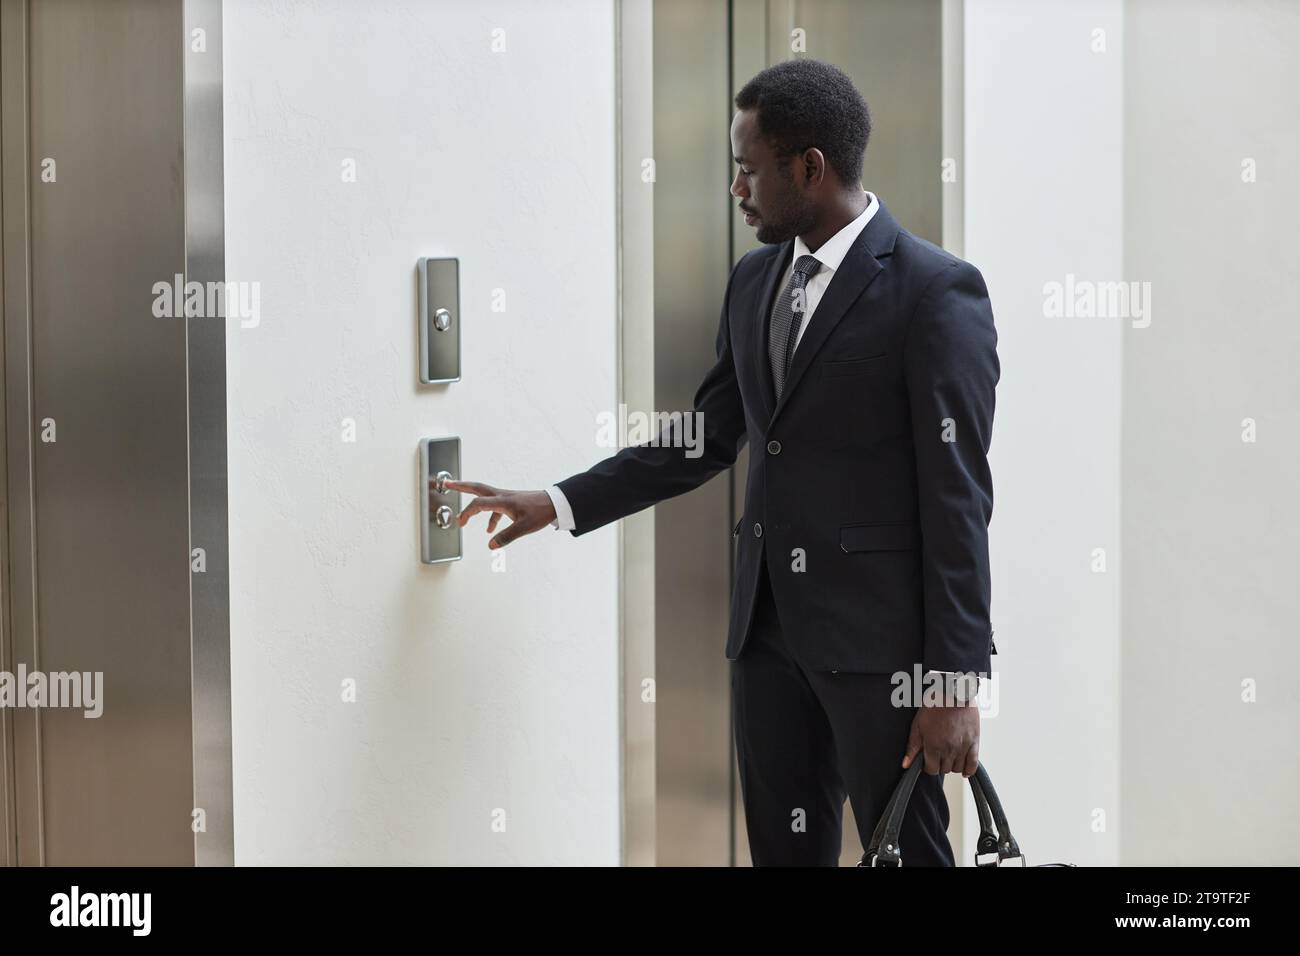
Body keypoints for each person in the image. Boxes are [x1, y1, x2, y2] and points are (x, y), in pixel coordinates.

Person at [445, 58, 999, 867]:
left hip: (885, 658)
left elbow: (959, 496)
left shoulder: (934, 292)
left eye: (747, 169)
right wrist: (559, 502)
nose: (736, 189)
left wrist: (953, 682)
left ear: (808, 168)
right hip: (766, 641)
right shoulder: (752, 282)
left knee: (910, 859)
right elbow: (705, 437)